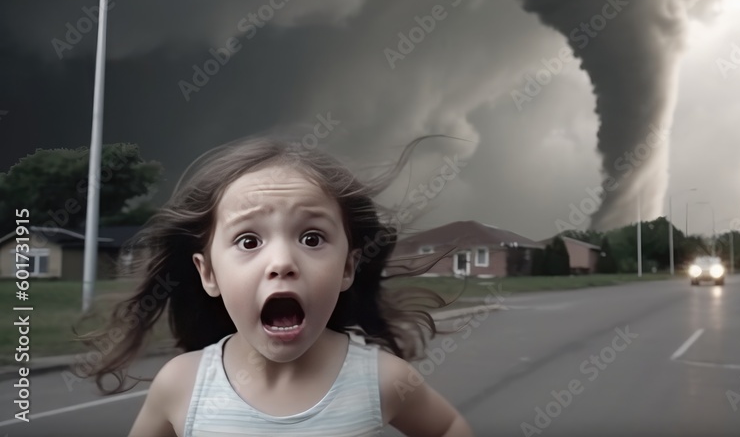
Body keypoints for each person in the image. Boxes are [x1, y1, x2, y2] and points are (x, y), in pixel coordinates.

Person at [77, 134, 474, 437]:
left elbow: (447, 427)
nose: (282, 262)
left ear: (348, 269)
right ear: (208, 273)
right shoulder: (181, 385)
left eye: (312, 238)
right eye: (249, 241)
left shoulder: (383, 380)